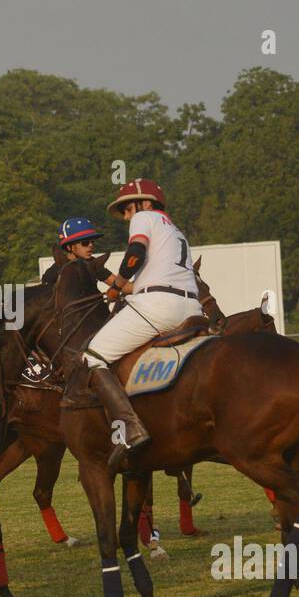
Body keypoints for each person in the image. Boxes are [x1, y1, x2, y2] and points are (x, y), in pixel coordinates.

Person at [81, 179, 201, 470]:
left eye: (127, 208)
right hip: (191, 308)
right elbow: (145, 281)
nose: (126, 216)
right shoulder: (175, 231)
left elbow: (135, 254)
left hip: (159, 306)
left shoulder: (144, 218)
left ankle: (131, 428)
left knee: (92, 356)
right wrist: (119, 287)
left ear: (146, 203)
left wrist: (117, 284)